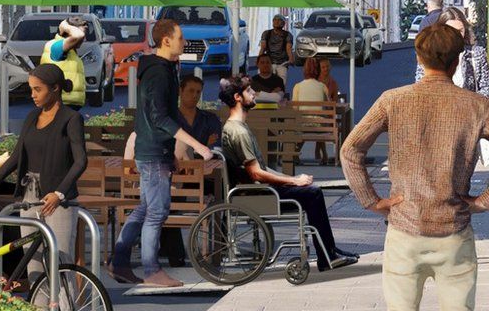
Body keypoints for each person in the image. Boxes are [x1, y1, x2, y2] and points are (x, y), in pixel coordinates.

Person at [341, 22, 489, 311]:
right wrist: (481, 200)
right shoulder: (476, 105)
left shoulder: (394, 100)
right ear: (458, 60)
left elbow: (351, 149)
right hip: (455, 231)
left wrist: (373, 200)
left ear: (419, 58)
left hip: (405, 229)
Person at [112, 19, 218, 288]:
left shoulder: (165, 69)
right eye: (181, 37)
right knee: (158, 211)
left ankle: (120, 262)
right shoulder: (159, 73)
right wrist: (197, 145)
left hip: (155, 149)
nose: (184, 41)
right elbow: (160, 117)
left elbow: (154, 115)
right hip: (152, 151)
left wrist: (171, 150)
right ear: (166, 41)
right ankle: (151, 270)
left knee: (145, 208)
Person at [216, 77, 356, 270]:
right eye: (249, 91)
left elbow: (260, 169)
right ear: (238, 97)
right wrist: (293, 181)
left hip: (258, 189)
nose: (254, 93)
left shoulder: (238, 128)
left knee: (310, 190)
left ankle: (329, 251)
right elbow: (256, 173)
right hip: (258, 193)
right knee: (313, 194)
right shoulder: (238, 132)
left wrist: (292, 180)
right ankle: (327, 254)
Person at [0, 64, 87, 270]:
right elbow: (15, 159)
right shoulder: (31, 118)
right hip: (29, 196)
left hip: (56, 199)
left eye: (38, 89)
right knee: (33, 264)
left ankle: (65, 304)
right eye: (31, 89)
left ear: (55, 89)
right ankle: (37, 304)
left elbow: (80, 161)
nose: (33, 95)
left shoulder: (71, 119)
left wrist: (59, 193)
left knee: (60, 262)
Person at [40, 16, 90, 109]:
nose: (84, 39)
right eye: (83, 33)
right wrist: (65, 26)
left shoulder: (70, 50)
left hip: (66, 104)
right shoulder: (56, 47)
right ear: (69, 32)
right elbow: (78, 36)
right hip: (59, 104)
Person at [175, 74, 222, 157]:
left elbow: (215, 151)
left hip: (205, 167)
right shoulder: (170, 119)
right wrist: (203, 146)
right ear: (180, 91)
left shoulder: (210, 119)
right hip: (176, 167)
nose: (195, 95)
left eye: (198, 92)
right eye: (191, 91)